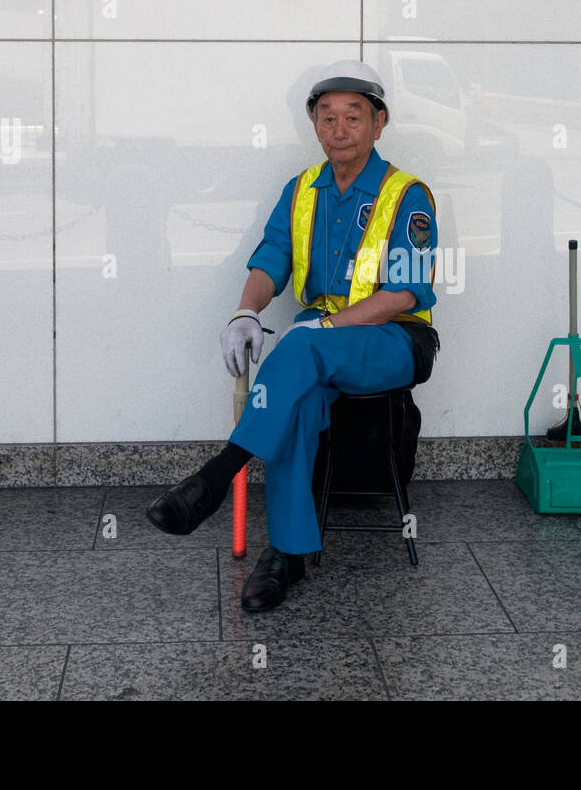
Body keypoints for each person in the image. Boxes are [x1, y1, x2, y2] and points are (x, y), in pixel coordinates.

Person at [146, 60, 440, 612]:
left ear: (379, 123)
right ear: (313, 124)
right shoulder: (302, 190)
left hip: (393, 340)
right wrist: (244, 313)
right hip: (317, 345)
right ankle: (288, 553)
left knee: (301, 343)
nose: (338, 129)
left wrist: (324, 327)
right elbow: (271, 260)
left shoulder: (408, 195)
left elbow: (403, 294)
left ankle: (218, 474)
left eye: (353, 116)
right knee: (298, 399)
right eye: (326, 117)